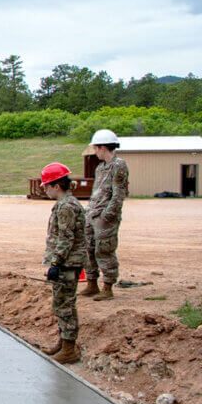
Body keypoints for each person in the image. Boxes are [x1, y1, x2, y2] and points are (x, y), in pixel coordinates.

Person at [39, 163, 87, 363]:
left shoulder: (66, 206)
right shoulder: (66, 203)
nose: (45, 190)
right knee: (60, 303)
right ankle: (63, 342)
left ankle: (69, 349)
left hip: (67, 263)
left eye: (46, 186)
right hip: (66, 262)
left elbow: (66, 238)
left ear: (56, 185)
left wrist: (56, 263)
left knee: (64, 304)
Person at [83, 129, 128, 302]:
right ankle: (91, 282)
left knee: (104, 250)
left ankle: (107, 286)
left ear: (103, 148)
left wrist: (107, 215)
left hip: (104, 217)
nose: (94, 152)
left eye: (96, 148)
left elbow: (118, 194)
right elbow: (97, 192)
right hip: (93, 213)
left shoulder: (118, 166)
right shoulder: (101, 167)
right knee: (89, 249)